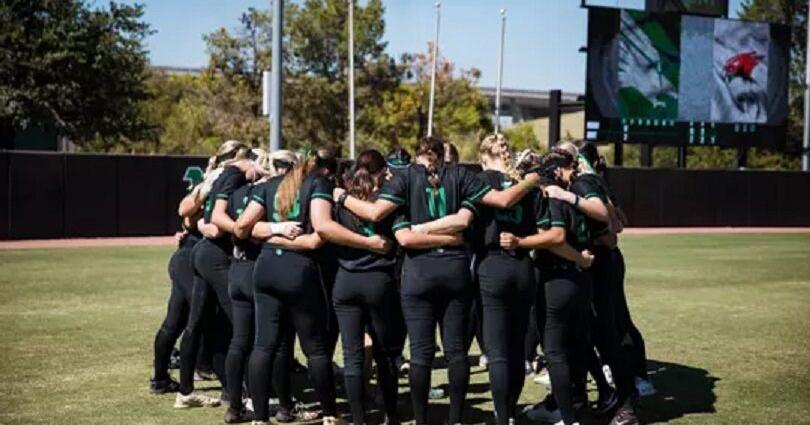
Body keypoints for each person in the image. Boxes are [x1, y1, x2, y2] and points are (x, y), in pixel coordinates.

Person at [334, 136, 541, 425]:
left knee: (420, 353)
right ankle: (455, 419)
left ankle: (421, 420)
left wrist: (342, 197)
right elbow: (494, 204)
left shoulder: (404, 178)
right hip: (455, 268)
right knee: (457, 352)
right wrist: (532, 179)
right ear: (442, 155)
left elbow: (381, 217)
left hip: (418, 272)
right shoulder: (460, 174)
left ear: (418, 155)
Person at [235, 150, 343, 425]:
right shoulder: (318, 183)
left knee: (264, 346)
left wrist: (274, 233)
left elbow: (243, 228)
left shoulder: (269, 185)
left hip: (266, 269)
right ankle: (330, 414)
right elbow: (317, 236)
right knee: (316, 349)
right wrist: (283, 231)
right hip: (299, 271)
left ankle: (260, 418)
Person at [501, 151, 595, 425]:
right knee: (573, 347)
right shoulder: (573, 196)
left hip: (558, 279)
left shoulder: (552, 197)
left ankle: (565, 417)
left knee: (554, 353)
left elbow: (556, 237)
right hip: (578, 281)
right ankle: (570, 405)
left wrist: (519, 241)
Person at [311, 149, 403, 425]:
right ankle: (391, 415)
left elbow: (325, 230)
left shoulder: (341, 202)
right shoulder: (385, 199)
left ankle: (360, 419)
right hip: (379, 280)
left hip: (346, 281)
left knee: (351, 356)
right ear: (380, 171)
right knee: (385, 355)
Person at [174, 140, 259, 409]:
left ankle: (189, 391)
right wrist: (211, 223)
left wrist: (202, 221)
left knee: (200, 323)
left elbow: (189, 214)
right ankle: (243, 394)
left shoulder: (215, 175)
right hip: (214, 254)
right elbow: (191, 214)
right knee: (238, 323)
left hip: (203, 252)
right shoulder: (230, 174)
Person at [468, 134, 540, 424]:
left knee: (497, 351)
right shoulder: (526, 186)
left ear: (483, 156)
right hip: (523, 265)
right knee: (516, 349)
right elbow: (538, 232)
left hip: (492, 266)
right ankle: (511, 411)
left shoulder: (480, 179)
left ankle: (502, 418)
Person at [150, 180, 207, 394]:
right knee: (198, 321)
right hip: (193, 258)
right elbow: (186, 213)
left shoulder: (206, 188)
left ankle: (161, 379)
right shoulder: (211, 187)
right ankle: (188, 383)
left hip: (187, 256)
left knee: (176, 321)